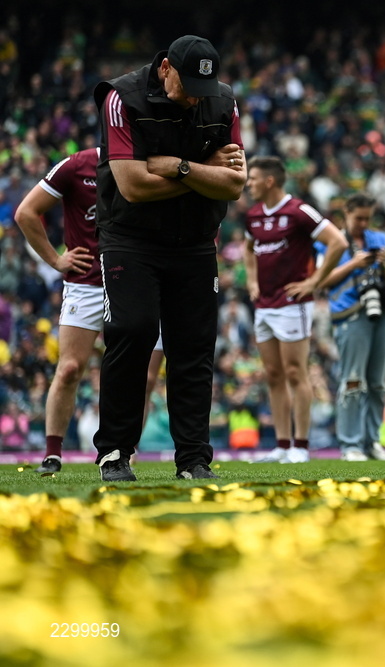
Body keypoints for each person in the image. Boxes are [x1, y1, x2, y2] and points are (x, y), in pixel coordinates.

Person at [92, 35, 246, 481]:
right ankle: (115, 452)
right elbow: (133, 186)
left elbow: (235, 185)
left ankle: (194, 460)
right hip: (130, 238)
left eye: (204, 90)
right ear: (165, 69)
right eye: (187, 88)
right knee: (131, 331)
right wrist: (204, 172)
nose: (196, 99)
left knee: (194, 347)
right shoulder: (121, 98)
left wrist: (176, 167)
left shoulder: (224, 101)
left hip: (195, 240)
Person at [15, 149, 168, 475]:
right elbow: (25, 212)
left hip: (134, 281)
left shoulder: (149, 160)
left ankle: (124, 451)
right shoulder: (76, 165)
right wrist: (56, 260)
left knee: (143, 377)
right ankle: (52, 454)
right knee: (70, 368)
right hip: (85, 284)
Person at [243, 156, 346, 464]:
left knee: (295, 373)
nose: (249, 185)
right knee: (273, 374)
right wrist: (251, 281)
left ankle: (301, 445)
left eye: (253, 179)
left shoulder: (298, 211)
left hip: (293, 304)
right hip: (264, 305)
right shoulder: (253, 216)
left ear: (270, 181)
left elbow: (337, 242)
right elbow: (249, 249)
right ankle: (282, 444)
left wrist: (314, 281)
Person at [320, 193, 385, 462]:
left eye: (368, 218)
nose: (364, 223)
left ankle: (372, 442)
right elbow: (323, 279)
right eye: (358, 218)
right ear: (346, 215)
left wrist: (381, 261)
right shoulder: (332, 241)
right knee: (353, 380)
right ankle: (350, 445)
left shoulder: (379, 239)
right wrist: (355, 263)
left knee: (377, 383)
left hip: (381, 313)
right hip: (350, 314)